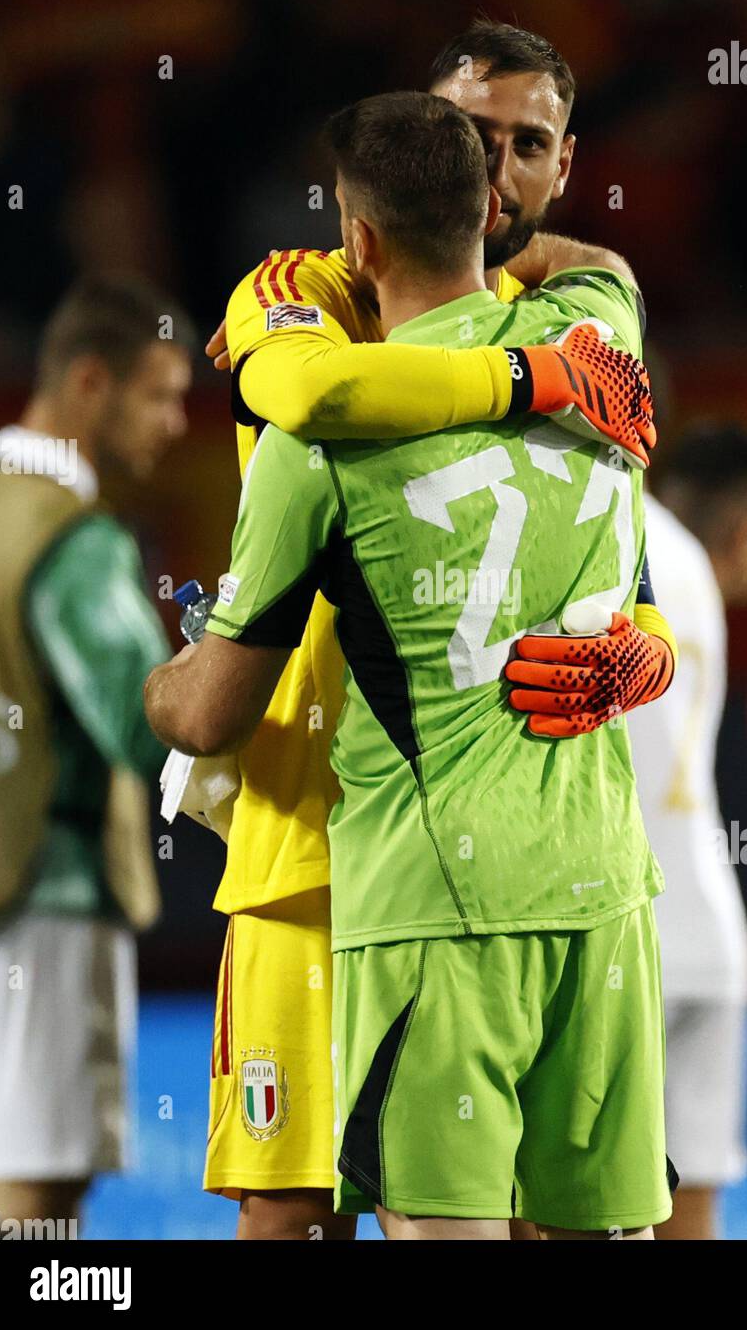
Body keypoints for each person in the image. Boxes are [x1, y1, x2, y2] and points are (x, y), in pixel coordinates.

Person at [146, 89, 676, 1240]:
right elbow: (315, 389)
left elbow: (637, 597)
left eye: (527, 144)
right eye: (478, 137)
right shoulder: (579, 353)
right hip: (346, 851)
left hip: (425, 880)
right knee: (299, 1209)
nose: (503, 164)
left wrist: (651, 653)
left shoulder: (575, 321)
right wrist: (535, 382)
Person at [0, 276, 191, 1230]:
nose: (179, 423)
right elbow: (155, 732)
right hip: (47, 896)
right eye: (162, 393)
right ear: (92, 384)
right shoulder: (76, 541)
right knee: (40, 1202)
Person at [633, 426, 747, 1238]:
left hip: (608, 936)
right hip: (707, 934)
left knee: (553, 1214)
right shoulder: (690, 560)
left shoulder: (570, 534)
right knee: (691, 1216)